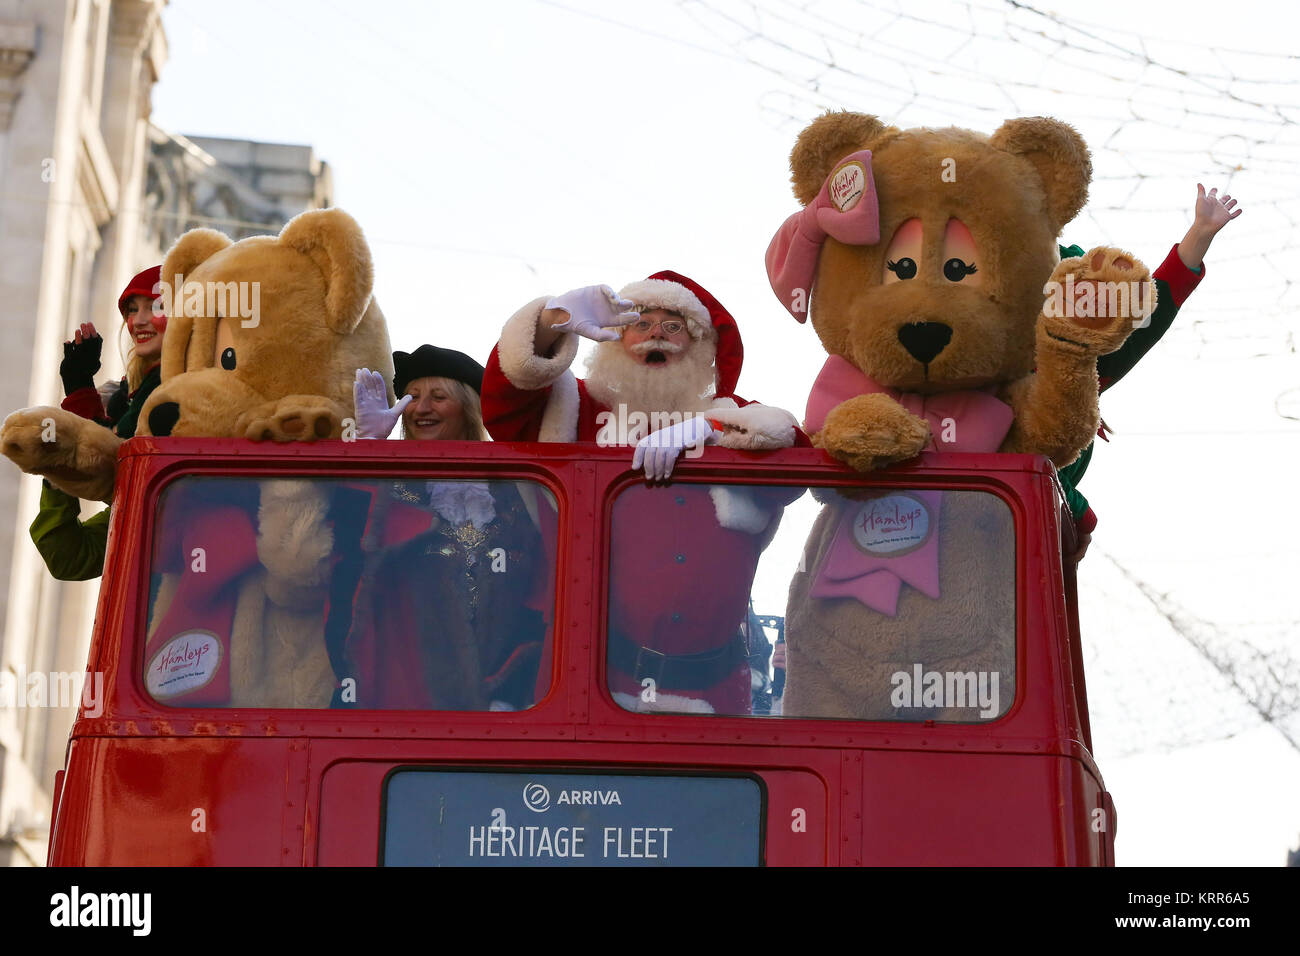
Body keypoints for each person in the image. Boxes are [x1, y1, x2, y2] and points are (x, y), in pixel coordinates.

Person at [481, 270, 807, 714]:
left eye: (674, 326)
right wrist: (551, 320)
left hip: (711, 684)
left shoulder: (731, 420)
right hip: (590, 674)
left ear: (701, 346)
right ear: (613, 338)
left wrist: (708, 427)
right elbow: (503, 402)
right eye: (640, 323)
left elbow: (791, 443)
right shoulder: (571, 408)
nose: (658, 335)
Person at [335, 345, 549, 710]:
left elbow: (538, 588)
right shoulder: (392, 487)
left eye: (438, 397)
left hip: (504, 688)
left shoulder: (513, 490)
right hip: (405, 686)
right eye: (412, 397)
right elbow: (350, 557)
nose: (420, 408)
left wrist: (517, 687)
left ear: (467, 408)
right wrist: (370, 452)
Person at [1061, 184, 1242, 560]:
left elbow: (1151, 309)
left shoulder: (1089, 367)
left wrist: (1200, 232)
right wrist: (1079, 513)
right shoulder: (995, 363)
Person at [29, 265, 166, 580]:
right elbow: (68, 557)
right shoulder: (126, 396)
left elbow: (119, 468)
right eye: (132, 311)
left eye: (157, 306)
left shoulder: (179, 394)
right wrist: (57, 467)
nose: (139, 321)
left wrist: (79, 399)